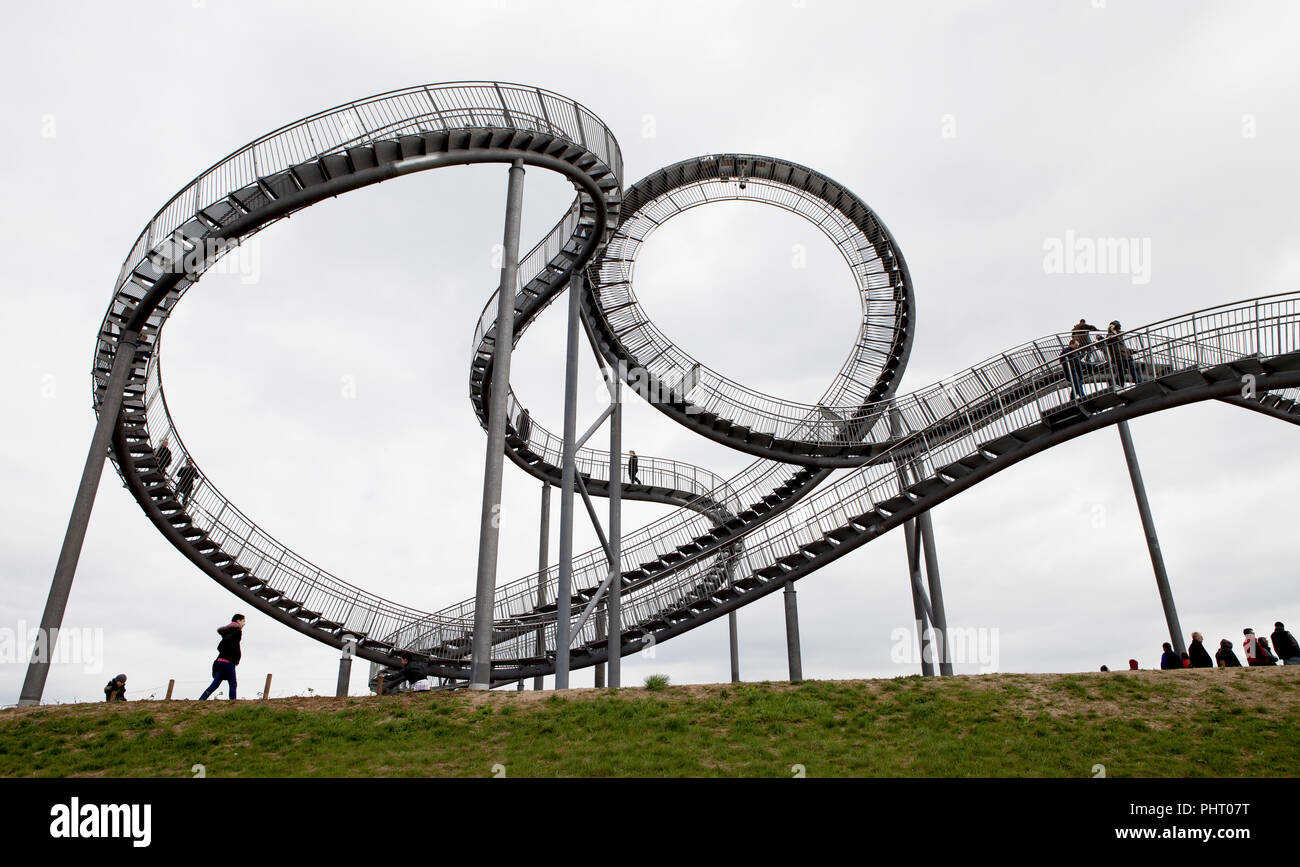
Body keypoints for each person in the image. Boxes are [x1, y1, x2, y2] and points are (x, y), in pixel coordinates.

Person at [199, 614, 245, 699]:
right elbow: (233, 646)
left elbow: (220, 646)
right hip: (228, 662)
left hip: (221, 661)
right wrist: (235, 656)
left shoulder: (227, 632)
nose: (244, 624)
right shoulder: (236, 632)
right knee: (233, 683)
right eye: (243, 621)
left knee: (215, 684)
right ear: (238, 621)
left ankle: (201, 699)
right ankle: (233, 702)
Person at [1102, 321, 1142, 387]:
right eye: (1118, 327)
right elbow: (1108, 341)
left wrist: (1132, 351)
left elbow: (1123, 347)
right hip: (1119, 357)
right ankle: (1120, 386)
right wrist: (1112, 331)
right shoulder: (1110, 335)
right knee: (1122, 373)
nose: (1119, 329)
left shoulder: (1119, 336)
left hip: (1126, 356)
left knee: (1133, 370)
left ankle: (1139, 383)